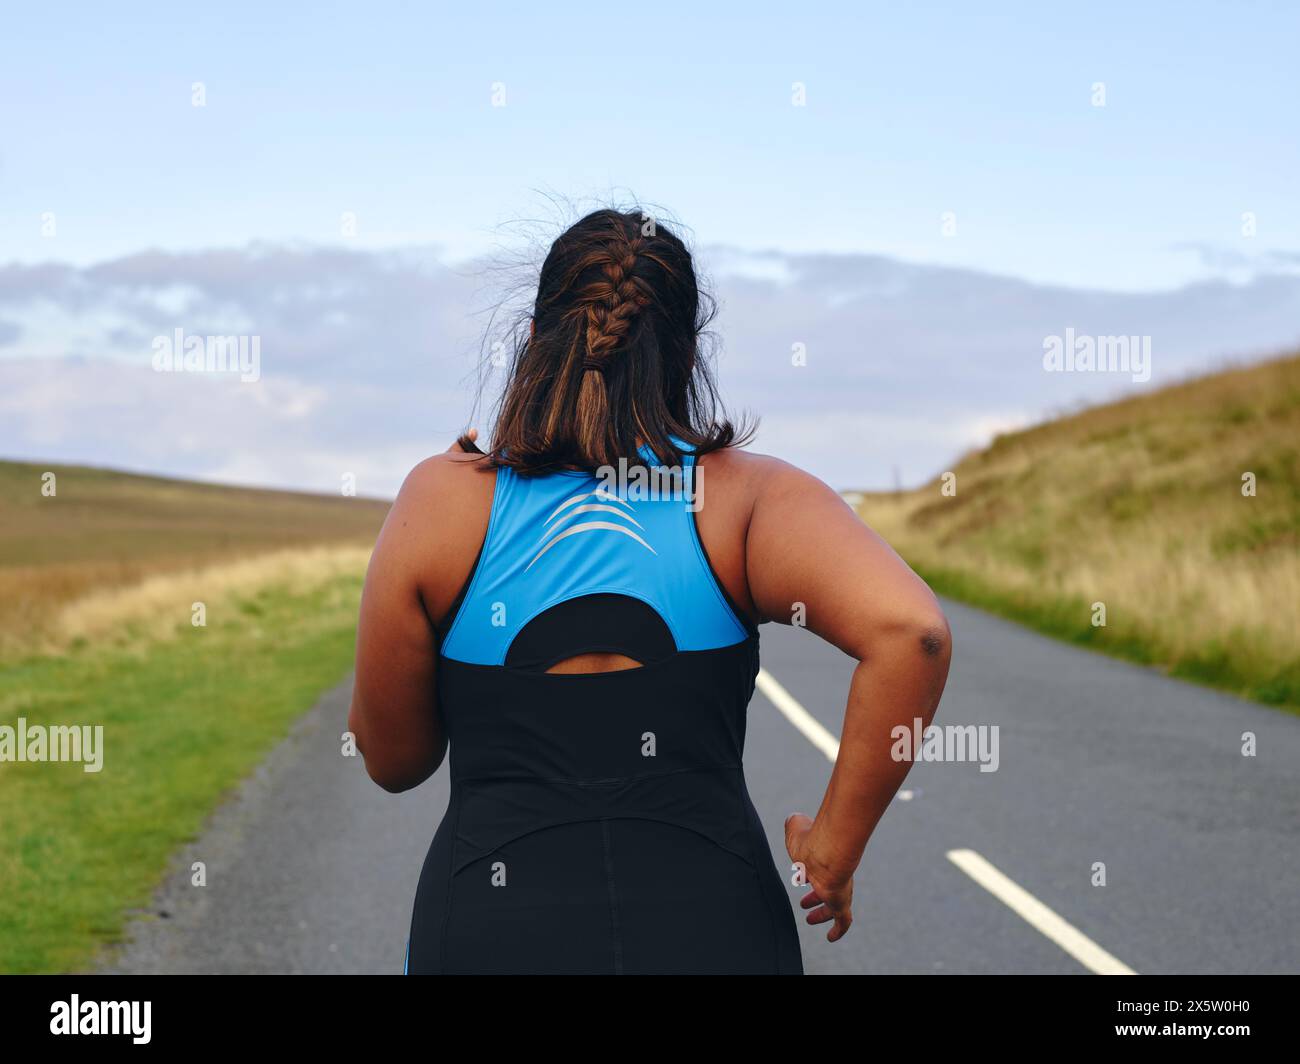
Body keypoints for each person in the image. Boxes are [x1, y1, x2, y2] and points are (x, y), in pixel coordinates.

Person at [348, 208, 951, 974]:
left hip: (491, 926)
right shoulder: (745, 500)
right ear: (688, 354)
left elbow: (394, 762)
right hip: (714, 924)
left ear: (535, 341)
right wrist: (833, 846)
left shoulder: (442, 502)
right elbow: (914, 633)